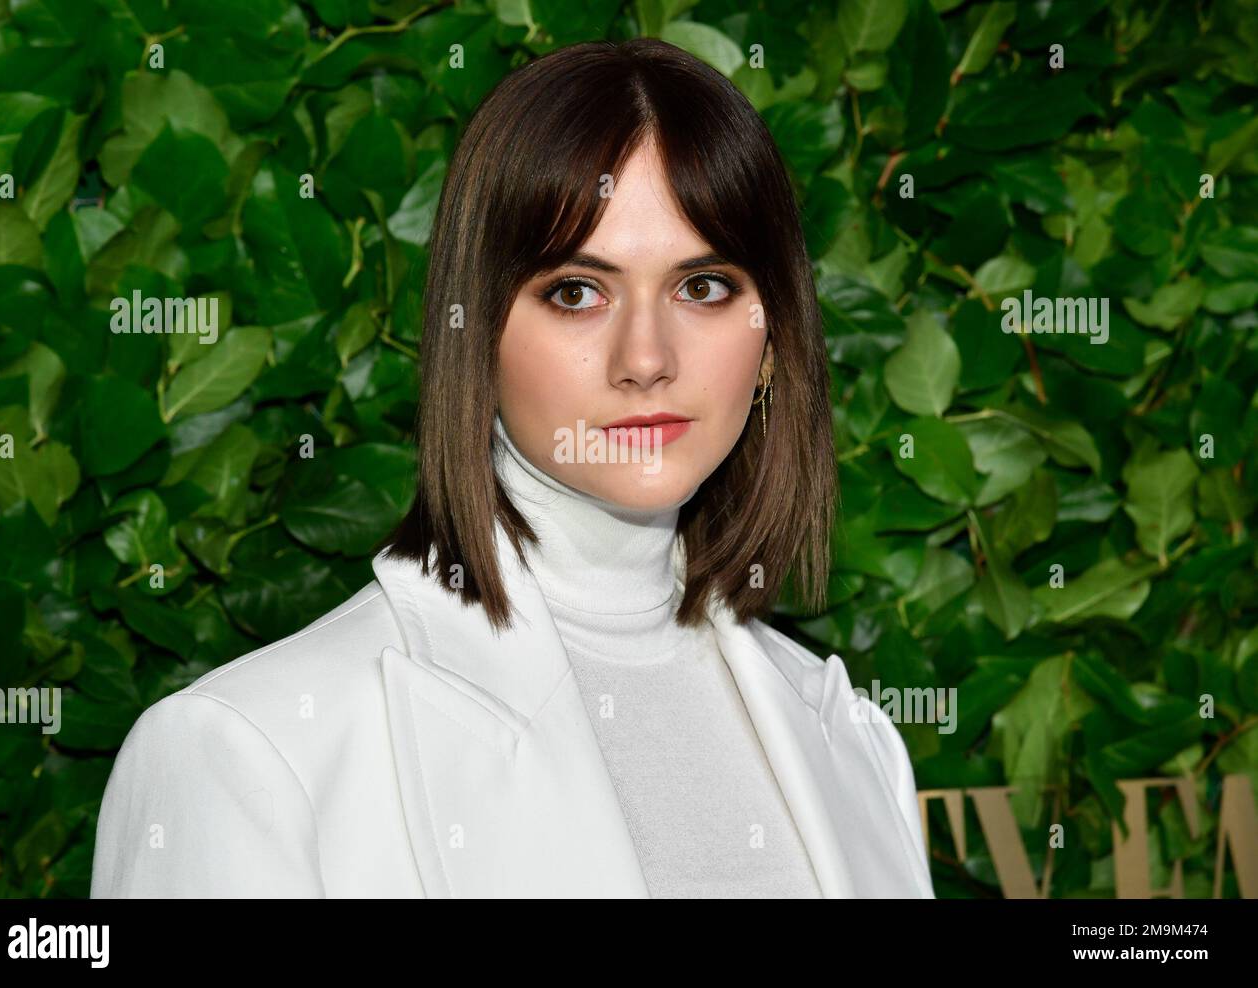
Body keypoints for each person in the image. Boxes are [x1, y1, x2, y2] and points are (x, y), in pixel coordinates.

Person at [90, 37, 935, 899]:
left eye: (703, 287)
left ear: (771, 338)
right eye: (577, 291)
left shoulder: (851, 740)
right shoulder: (244, 751)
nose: (646, 358)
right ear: (476, 332)